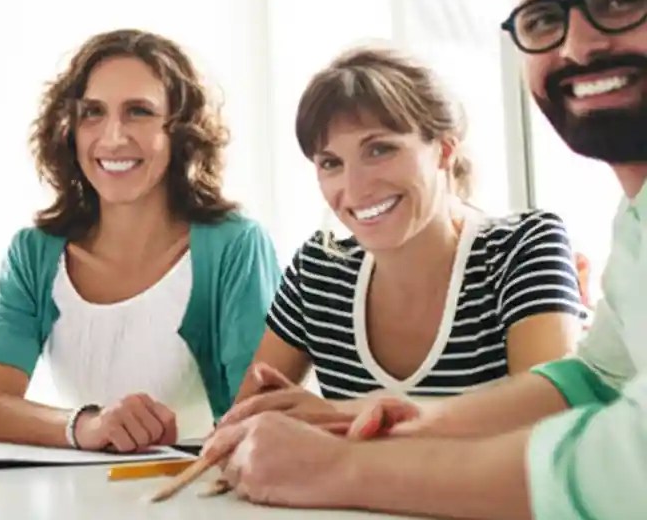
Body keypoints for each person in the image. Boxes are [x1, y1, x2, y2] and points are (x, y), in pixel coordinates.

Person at [200, 0, 647, 520]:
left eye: (619, 1)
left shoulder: (525, 242)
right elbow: (596, 375)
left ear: (444, 147)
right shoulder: (635, 223)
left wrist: (346, 467)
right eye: (542, 19)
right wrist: (393, 417)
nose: (579, 44)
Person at [219, 46, 583, 422]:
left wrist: (345, 416)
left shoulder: (524, 247)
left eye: (379, 150)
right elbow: (246, 425)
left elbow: (548, 420)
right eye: (331, 163)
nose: (355, 188)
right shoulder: (319, 270)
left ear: (444, 151)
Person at [0, 29, 281, 451]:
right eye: (92, 113)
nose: (113, 137)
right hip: (84, 500)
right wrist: (88, 426)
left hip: (203, 499)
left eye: (139, 112)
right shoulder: (34, 254)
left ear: (180, 131)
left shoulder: (234, 247)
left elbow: (263, 417)